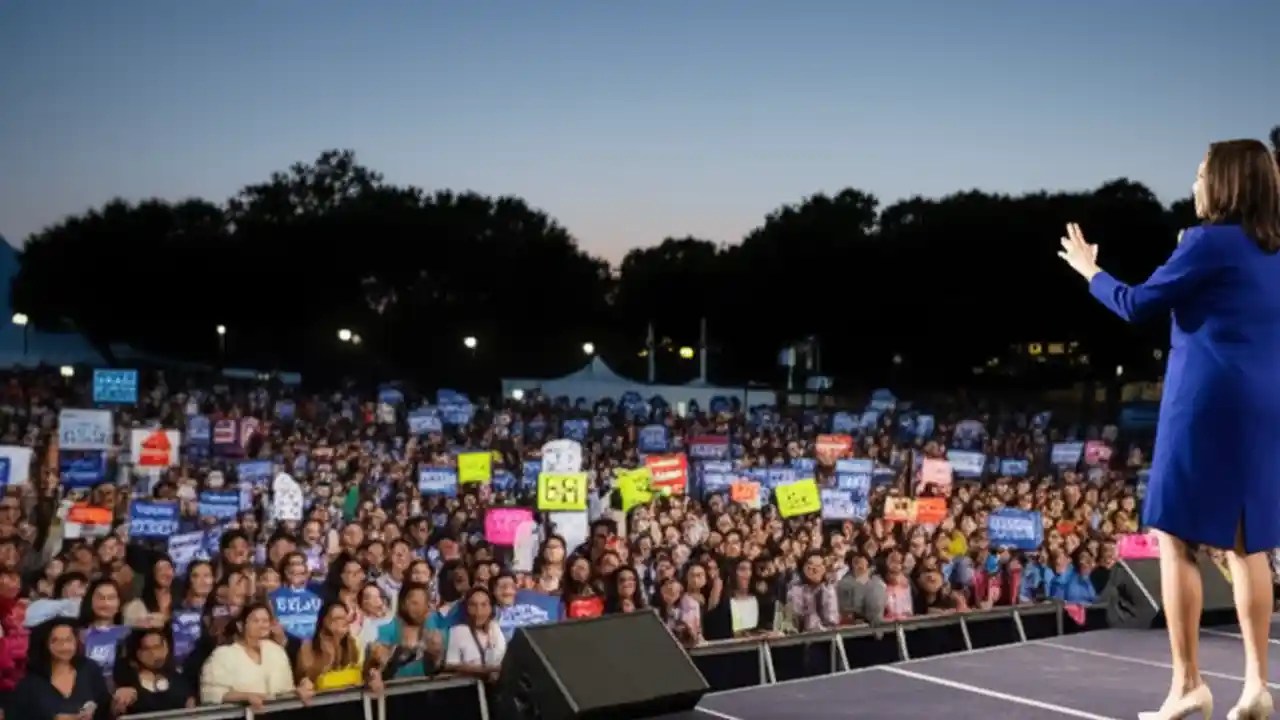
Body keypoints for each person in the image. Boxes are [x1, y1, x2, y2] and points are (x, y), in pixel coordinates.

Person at [1058, 138, 1280, 720]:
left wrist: (1091, 271)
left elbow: (1136, 304)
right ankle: (1258, 685)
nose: (1195, 181)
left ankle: (1188, 685)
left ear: (1226, 181)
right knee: (1247, 542)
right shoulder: (1273, 249)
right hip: (1264, 402)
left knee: (1174, 537)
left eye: (1203, 171)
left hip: (1206, 401)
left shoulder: (1208, 242)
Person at [8, 617, 111, 720]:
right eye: (55, 641)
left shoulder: (90, 669)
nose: (64, 646)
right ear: (45, 644)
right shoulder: (30, 683)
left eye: (69, 640)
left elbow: (104, 709)